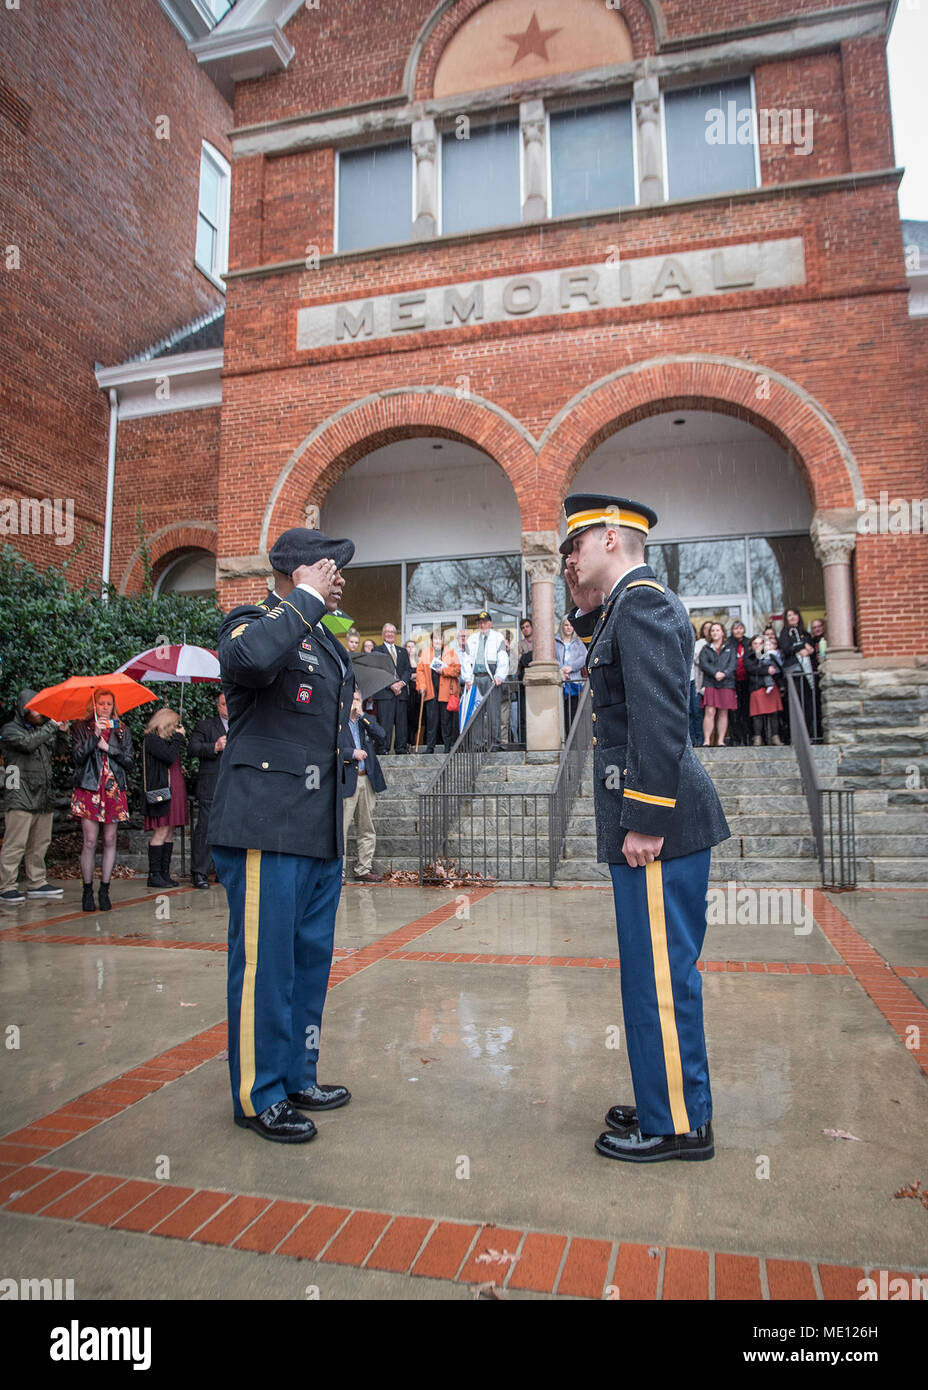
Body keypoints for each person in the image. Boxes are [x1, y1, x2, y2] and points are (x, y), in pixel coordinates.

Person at [562, 492, 729, 1164]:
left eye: (573, 548)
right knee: (648, 973)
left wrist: (644, 820)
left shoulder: (646, 602)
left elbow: (661, 719)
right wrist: (578, 594)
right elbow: (602, 654)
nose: (566, 562)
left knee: (661, 976)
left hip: (659, 827)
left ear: (607, 536)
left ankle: (680, 1124)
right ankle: (665, 1098)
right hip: (650, 824)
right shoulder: (622, 606)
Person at [209, 527, 355, 1144]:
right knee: (265, 966)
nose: (340, 577)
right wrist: (303, 598)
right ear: (298, 570)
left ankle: (297, 1075)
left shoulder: (323, 640)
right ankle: (257, 1092)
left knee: (307, 964)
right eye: (331, 567)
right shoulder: (254, 621)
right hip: (266, 825)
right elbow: (248, 662)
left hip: (316, 828)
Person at [0, 690, 70, 904]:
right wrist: (51, 726)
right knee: (15, 843)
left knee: (40, 842)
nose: (40, 713)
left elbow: (59, 752)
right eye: (35, 709)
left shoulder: (43, 730)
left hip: (43, 795)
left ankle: (37, 882)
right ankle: (6, 886)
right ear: (23, 709)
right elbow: (27, 744)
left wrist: (62, 732)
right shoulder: (10, 730)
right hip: (19, 793)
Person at [70, 690, 133, 913]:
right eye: (101, 703)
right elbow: (77, 758)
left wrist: (109, 748)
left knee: (110, 838)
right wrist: (95, 737)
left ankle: (104, 889)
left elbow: (129, 761)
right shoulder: (81, 727)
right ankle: (87, 890)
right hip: (89, 787)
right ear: (94, 706)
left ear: (113, 706)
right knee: (89, 840)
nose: (105, 707)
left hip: (113, 789)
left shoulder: (122, 729)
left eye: (109, 703)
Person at [340, 687, 385, 883]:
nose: (356, 702)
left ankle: (363, 868)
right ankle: (337, 872)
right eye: (353, 699)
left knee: (367, 826)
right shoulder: (338, 724)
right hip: (347, 779)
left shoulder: (363, 722)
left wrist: (363, 716)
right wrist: (352, 753)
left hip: (367, 778)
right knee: (341, 827)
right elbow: (330, 749)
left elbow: (381, 734)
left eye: (358, 699)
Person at [142, 708, 188, 888]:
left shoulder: (165, 741)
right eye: (173, 725)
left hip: (174, 791)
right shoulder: (152, 740)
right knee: (160, 831)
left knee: (169, 832)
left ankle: (164, 872)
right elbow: (168, 757)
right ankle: (154, 874)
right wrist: (179, 738)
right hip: (162, 793)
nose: (175, 728)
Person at [188, 693, 228, 889]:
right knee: (205, 829)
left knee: (228, 830)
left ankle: (223, 871)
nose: (227, 707)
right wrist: (215, 746)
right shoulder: (205, 725)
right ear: (217, 706)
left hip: (233, 786)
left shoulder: (241, 725)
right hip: (211, 785)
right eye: (223, 704)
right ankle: (199, 872)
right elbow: (193, 748)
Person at [462, 611, 509, 746]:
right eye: (480, 622)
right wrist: (467, 679)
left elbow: (503, 658)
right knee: (476, 712)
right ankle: (478, 744)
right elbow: (466, 660)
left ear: (490, 623)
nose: (482, 625)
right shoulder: (472, 639)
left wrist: (500, 675)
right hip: (475, 677)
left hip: (491, 678)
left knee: (493, 711)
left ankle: (494, 743)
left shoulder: (498, 637)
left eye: (485, 622)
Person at [415, 633, 461, 753]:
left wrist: (444, 670)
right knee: (431, 720)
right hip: (431, 691)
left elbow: (457, 670)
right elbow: (420, 672)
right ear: (431, 640)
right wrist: (422, 686)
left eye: (439, 638)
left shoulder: (450, 652)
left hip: (446, 692)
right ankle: (430, 747)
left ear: (443, 640)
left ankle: (447, 747)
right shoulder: (425, 653)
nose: (437, 641)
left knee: (446, 721)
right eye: (435, 638)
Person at [372, 623, 411, 755]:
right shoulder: (377, 650)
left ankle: (401, 748)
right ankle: (383, 749)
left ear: (395, 634)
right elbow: (378, 670)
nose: (390, 634)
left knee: (401, 723)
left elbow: (407, 670)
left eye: (392, 632)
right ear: (383, 634)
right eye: (387, 632)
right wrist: (391, 685)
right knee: (385, 723)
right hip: (385, 693)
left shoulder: (403, 651)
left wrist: (401, 684)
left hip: (401, 694)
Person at [779, 607, 818, 739]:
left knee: (808, 704)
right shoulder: (785, 633)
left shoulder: (805, 633)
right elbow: (786, 648)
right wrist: (801, 647)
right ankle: (797, 735)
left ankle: (810, 733)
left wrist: (809, 650)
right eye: (789, 615)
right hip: (794, 672)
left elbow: (810, 647)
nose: (792, 617)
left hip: (807, 672)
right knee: (797, 704)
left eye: (794, 614)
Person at [698, 622, 736, 747]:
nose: (715, 632)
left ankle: (720, 740)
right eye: (712, 630)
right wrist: (715, 673)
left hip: (726, 683)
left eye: (717, 630)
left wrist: (724, 673)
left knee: (723, 712)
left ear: (723, 632)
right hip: (711, 682)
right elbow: (703, 664)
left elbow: (732, 664)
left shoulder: (730, 647)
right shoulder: (706, 649)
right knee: (709, 711)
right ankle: (707, 741)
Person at [744, 635, 784, 745]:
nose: (757, 646)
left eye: (759, 643)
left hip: (771, 687)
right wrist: (766, 670)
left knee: (774, 714)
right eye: (755, 643)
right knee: (757, 715)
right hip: (757, 686)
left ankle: (775, 737)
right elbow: (751, 669)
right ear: (751, 646)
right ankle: (758, 738)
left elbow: (779, 667)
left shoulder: (769, 655)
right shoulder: (749, 656)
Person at [555, 615, 586, 734]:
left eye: (571, 625)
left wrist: (571, 667)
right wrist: (562, 668)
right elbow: (551, 657)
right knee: (561, 713)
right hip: (560, 681)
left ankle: (572, 738)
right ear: (562, 626)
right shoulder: (555, 641)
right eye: (566, 625)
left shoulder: (578, 642)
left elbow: (584, 657)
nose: (568, 628)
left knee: (573, 712)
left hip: (575, 682)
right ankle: (563, 738)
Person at [729, 620, 751, 747]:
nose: (738, 631)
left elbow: (762, 657)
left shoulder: (749, 642)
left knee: (746, 710)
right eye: (735, 628)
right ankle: (735, 737)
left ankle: (748, 736)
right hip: (732, 681)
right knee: (734, 712)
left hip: (748, 681)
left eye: (740, 628)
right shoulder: (728, 643)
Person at [690, 620, 712, 746]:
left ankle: (700, 739)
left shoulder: (700, 644)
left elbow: (700, 661)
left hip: (696, 682)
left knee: (697, 711)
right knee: (687, 713)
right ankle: (691, 740)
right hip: (684, 683)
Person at [405, 638, 422, 747]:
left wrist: (414, 676)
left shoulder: (420, 660)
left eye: (413, 646)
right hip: (408, 691)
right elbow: (406, 675)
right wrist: (414, 676)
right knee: (408, 718)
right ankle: (409, 742)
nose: (411, 649)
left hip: (419, 691)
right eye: (408, 646)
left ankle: (417, 742)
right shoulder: (404, 661)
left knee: (418, 718)